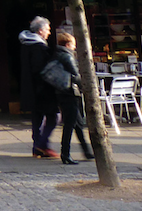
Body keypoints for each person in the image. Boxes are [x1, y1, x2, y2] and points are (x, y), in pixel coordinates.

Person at [19, 16, 59, 159]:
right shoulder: (39, 48)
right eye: (48, 30)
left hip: (31, 88)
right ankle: (42, 144)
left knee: (37, 118)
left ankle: (38, 146)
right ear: (41, 31)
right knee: (54, 116)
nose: (49, 32)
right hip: (42, 88)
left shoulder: (26, 44)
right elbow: (39, 69)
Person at [54, 32, 94, 165]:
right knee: (70, 125)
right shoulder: (67, 56)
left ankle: (86, 151)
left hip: (62, 92)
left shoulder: (57, 54)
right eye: (73, 45)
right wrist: (88, 86)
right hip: (69, 93)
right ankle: (65, 153)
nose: (74, 48)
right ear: (68, 44)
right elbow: (75, 75)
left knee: (77, 123)